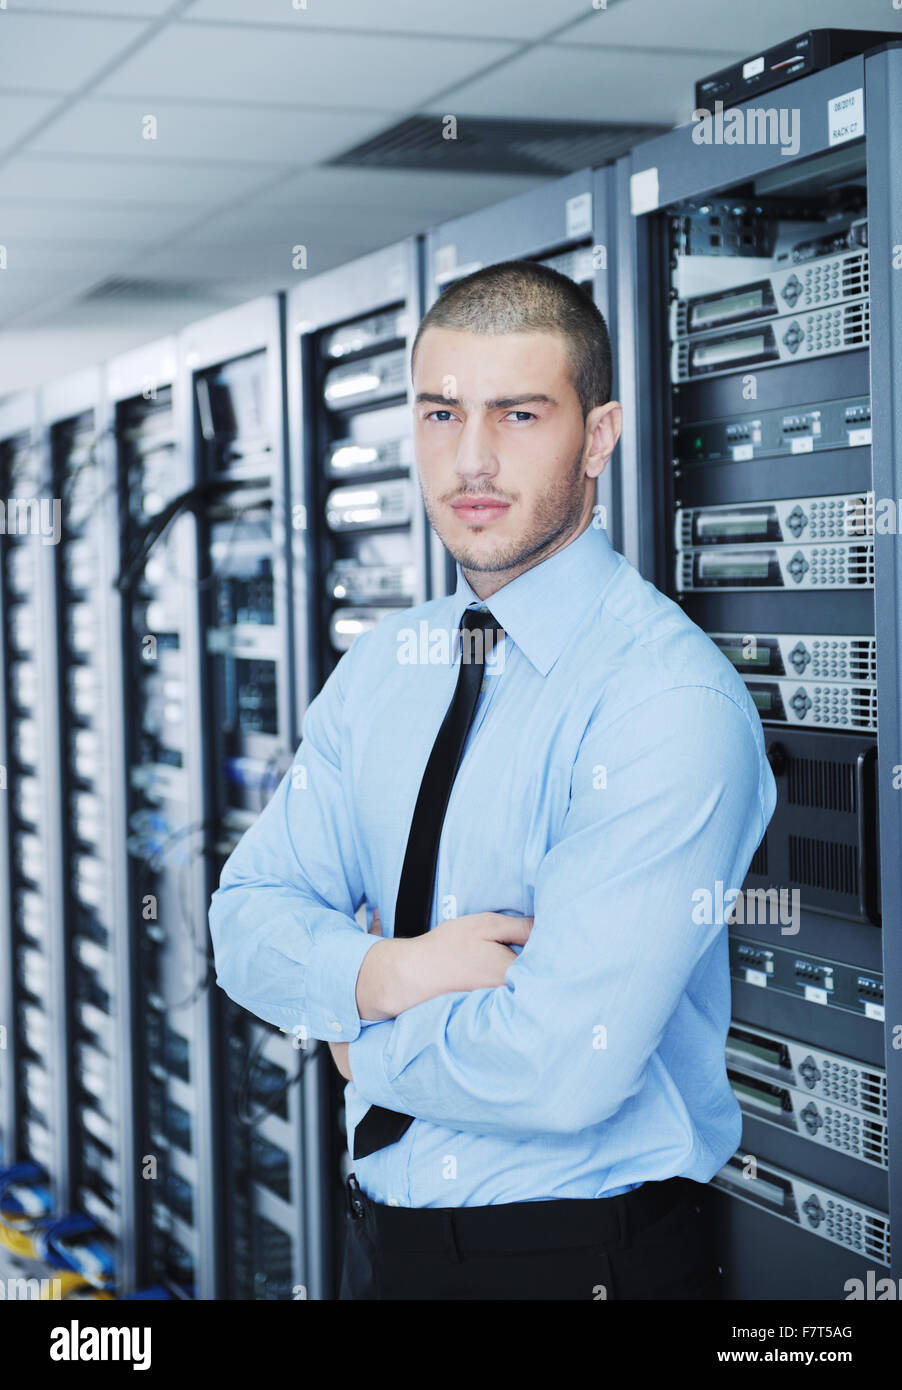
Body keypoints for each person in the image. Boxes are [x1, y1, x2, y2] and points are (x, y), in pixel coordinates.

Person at [209, 259, 777, 1300]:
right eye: (439, 414)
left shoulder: (662, 703)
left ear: (597, 434)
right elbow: (242, 920)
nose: (470, 459)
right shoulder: (381, 670)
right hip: (379, 1241)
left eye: (519, 413)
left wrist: (349, 1040)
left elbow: (561, 1066)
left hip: (578, 1260)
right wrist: (391, 973)